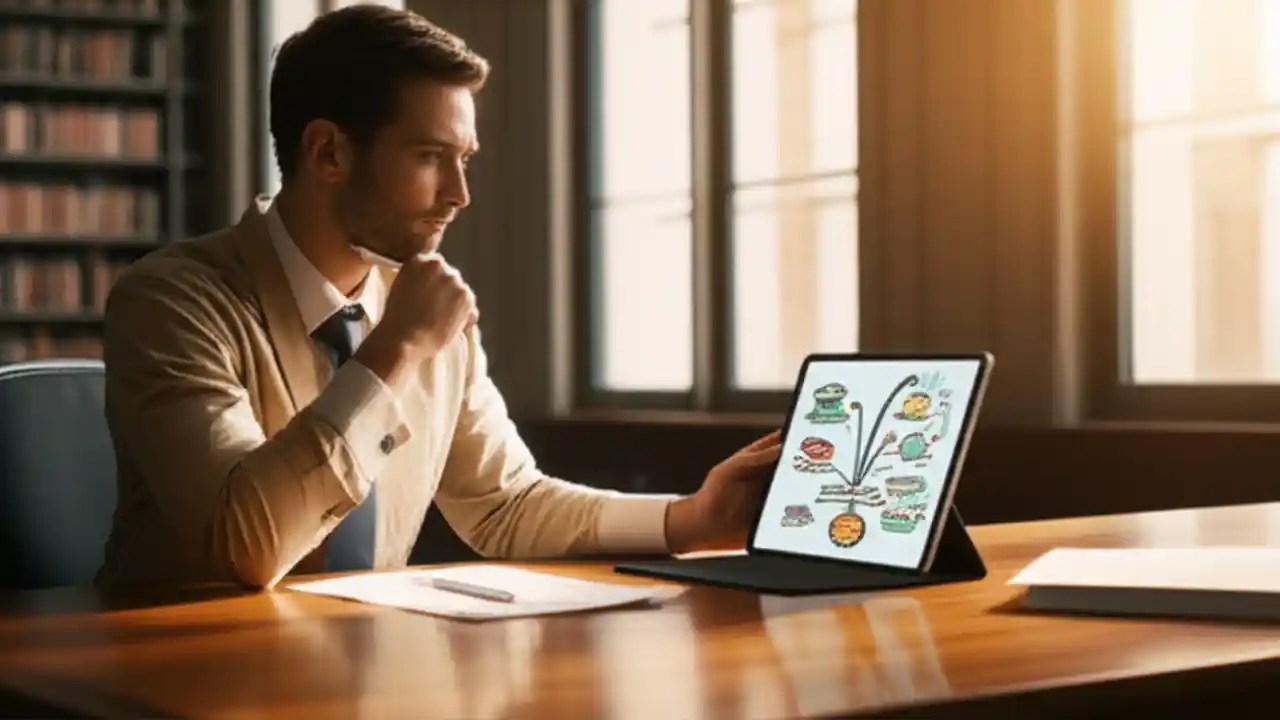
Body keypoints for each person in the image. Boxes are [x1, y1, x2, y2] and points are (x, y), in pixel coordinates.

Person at [96, 4, 781, 589]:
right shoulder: (171, 302)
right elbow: (244, 546)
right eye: (429, 157)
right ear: (329, 153)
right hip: (186, 678)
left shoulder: (427, 307)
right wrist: (394, 351)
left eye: (465, 159)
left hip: (366, 672)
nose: (459, 194)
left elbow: (505, 504)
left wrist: (690, 518)